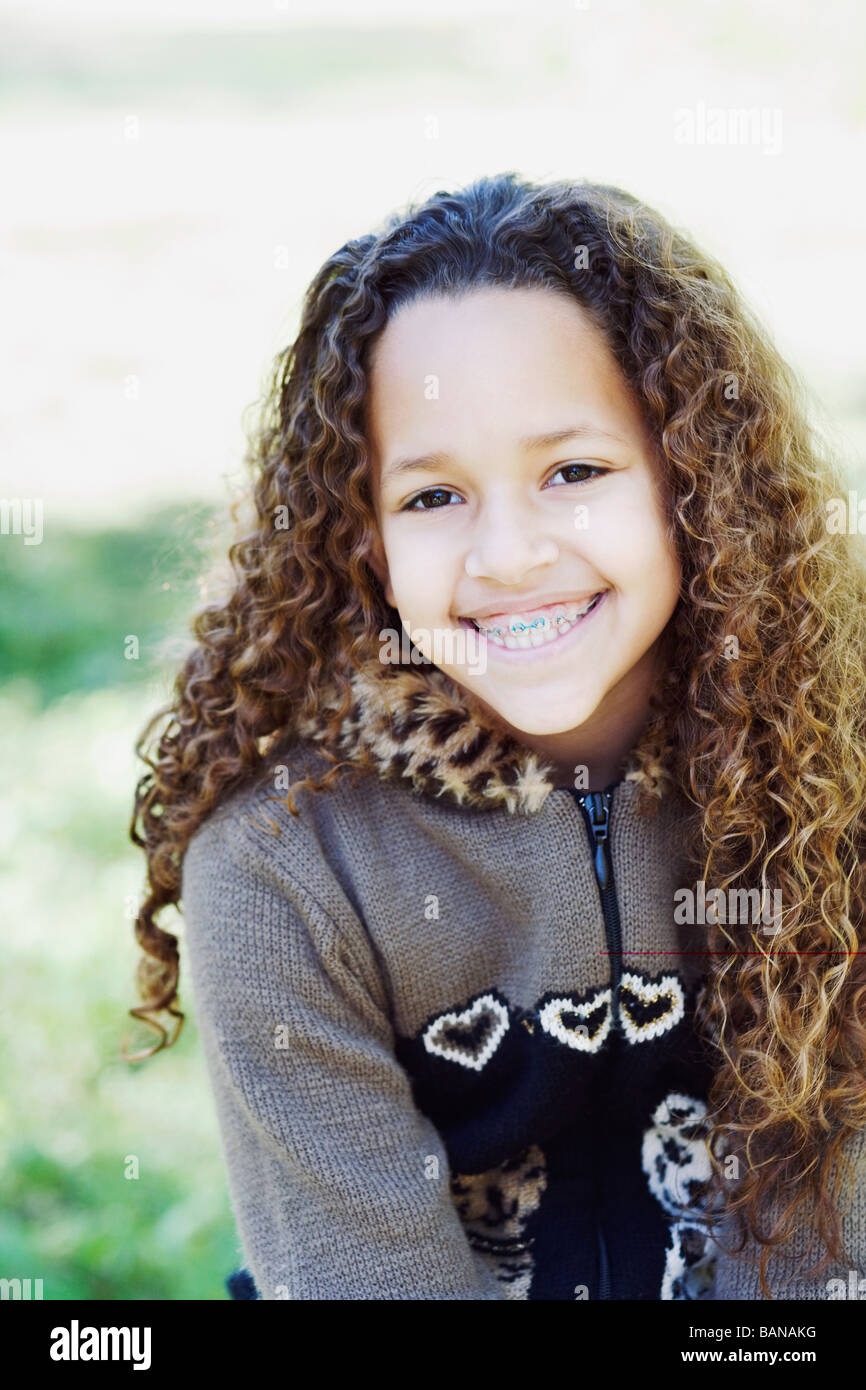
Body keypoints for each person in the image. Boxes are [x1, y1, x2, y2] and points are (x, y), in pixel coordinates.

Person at [127, 173, 866, 1301]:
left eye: (574, 471)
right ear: (361, 535)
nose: (508, 554)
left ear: (695, 484)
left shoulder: (829, 780)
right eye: (432, 497)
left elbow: (833, 1251)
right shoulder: (286, 870)